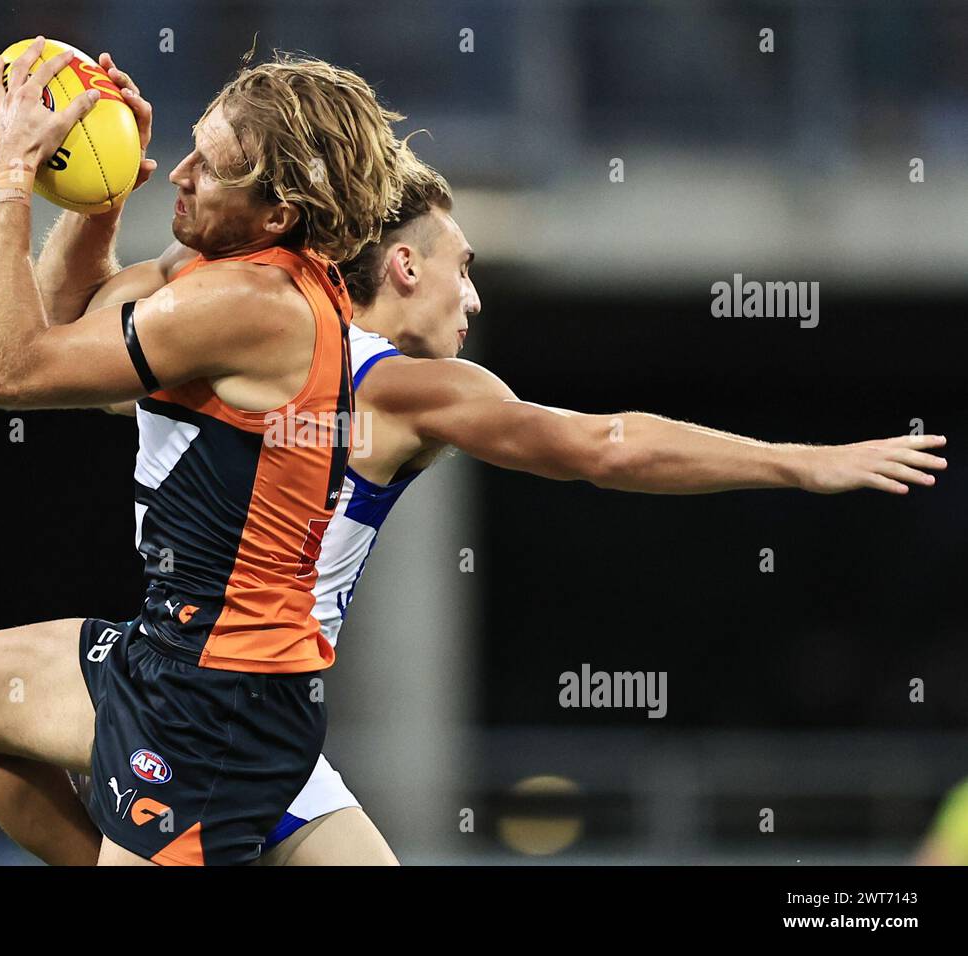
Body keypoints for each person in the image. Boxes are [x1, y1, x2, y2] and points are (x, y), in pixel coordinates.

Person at [76, 157, 954, 864]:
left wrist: (96, 204)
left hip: (202, 688)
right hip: (210, 702)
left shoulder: (253, 343)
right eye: (466, 267)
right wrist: (798, 464)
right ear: (406, 265)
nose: (476, 297)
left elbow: (70, 348)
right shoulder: (368, 375)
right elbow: (602, 448)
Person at [0, 38, 410, 866]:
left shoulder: (248, 303)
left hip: (213, 704)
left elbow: (5, 368)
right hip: (172, 654)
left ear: (277, 215)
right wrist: (99, 202)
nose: (177, 174)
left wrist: (13, 178)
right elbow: (67, 323)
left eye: (208, 167)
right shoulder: (232, 265)